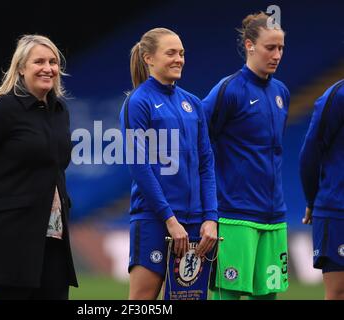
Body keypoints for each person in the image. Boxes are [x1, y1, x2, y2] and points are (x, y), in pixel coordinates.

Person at [0, 34, 78, 300]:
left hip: (53, 240)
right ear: (21, 68)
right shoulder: (1, 109)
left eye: (53, 61)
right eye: (39, 61)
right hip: (9, 241)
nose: (48, 68)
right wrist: (1, 203)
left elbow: (57, 166)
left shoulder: (60, 110)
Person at [119, 27, 218, 300]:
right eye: (171, 53)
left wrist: (210, 217)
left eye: (182, 53)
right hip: (154, 220)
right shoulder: (138, 102)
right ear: (148, 58)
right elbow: (140, 166)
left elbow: (206, 163)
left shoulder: (193, 103)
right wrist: (169, 220)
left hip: (195, 222)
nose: (179, 59)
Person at [201, 12, 289, 300]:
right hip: (235, 216)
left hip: (274, 216)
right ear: (250, 45)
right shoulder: (229, 90)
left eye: (281, 48)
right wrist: (208, 208)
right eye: (270, 47)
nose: (277, 55)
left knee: (268, 296)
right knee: (228, 296)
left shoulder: (281, 93)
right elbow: (199, 142)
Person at [299, 79, 344, 300]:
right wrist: (311, 200)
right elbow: (310, 152)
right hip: (339, 210)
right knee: (339, 292)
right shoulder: (337, 96)